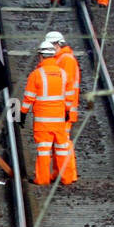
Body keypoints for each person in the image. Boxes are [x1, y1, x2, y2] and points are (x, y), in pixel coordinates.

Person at [18, 41, 76, 185]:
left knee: (43, 150)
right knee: (62, 149)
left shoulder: (36, 74)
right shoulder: (63, 74)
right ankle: (66, 178)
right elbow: (70, 96)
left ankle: (42, 179)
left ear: (41, 56)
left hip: (43, 121)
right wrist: (67, 111)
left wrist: (22, 114)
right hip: (59, 119)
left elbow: (28, 97)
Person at [45, 31, 80, 179]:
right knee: (59, 143)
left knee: (63, 143)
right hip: (60, 108)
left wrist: (65, 108)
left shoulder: (66, 60)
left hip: (64, 109)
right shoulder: (61, 58)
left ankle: (68, 175)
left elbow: (67, 86)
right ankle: (60, 172)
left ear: (58, 44)